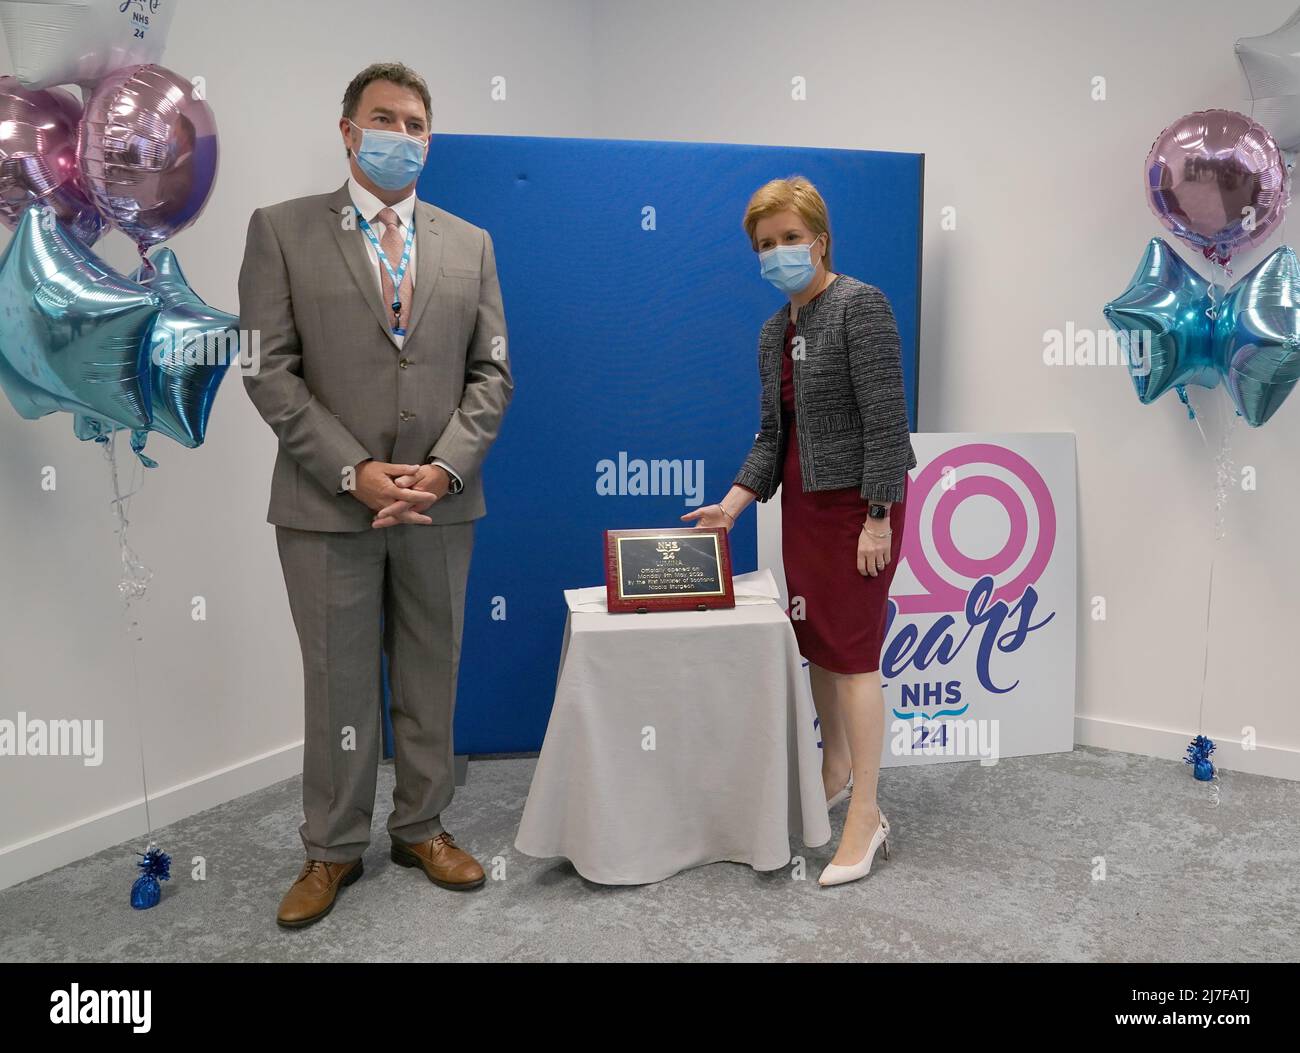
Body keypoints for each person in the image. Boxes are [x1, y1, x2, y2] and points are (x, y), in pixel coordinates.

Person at [239, 62, 513, 927]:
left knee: (432, 673)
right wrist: (352, 469)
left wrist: (446, 466)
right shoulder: (280, 231)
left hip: (440, 504)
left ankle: (423, 827)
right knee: (337, 682)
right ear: (349, 130)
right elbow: (264, 368)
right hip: (327, 508)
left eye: (417, 122)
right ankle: (330, 849)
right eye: (384, 118)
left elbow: (493, 371)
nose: (403, 134)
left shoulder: (470, 242)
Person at [682, 175, 915, 888]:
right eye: (765, 244)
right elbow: (770, 436)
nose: (779, 252)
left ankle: (868, 813)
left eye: (790, 238)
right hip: (806, 512)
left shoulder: (859, 306)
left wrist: (877, 516)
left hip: (858, 512)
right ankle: (834, 766)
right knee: (816, 646)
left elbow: (886, 420)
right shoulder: (773, 331)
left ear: (820, 238)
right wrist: (730, 505)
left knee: (853, 657)